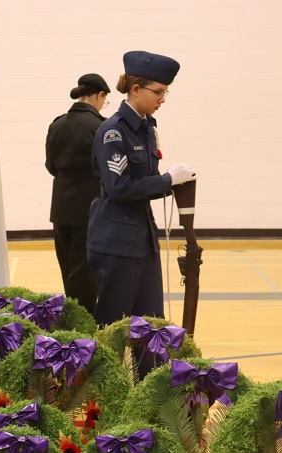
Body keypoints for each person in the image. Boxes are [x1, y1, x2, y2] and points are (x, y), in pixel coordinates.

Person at [87, 50, 196, 330]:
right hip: (117, 241)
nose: (162, 99)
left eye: (165, 93)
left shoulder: (146, 128)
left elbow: (145, 183)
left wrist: (175, 183)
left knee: (150, 326)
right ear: (136, 89)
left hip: (143, 238)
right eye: (158, 92)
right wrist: (167, 180)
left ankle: (148, 376)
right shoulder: (114, 131)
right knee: (113, 328)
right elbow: (119, 188)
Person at [45, 73, 111, 316]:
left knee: (68, 269)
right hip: (90, 207)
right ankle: (81, 324)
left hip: (60, 207)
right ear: (100, 95)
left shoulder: (57, 124)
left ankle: (71, 318)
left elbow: (50, 165)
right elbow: (106, 169)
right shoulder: (102, 126)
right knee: (86, 273)